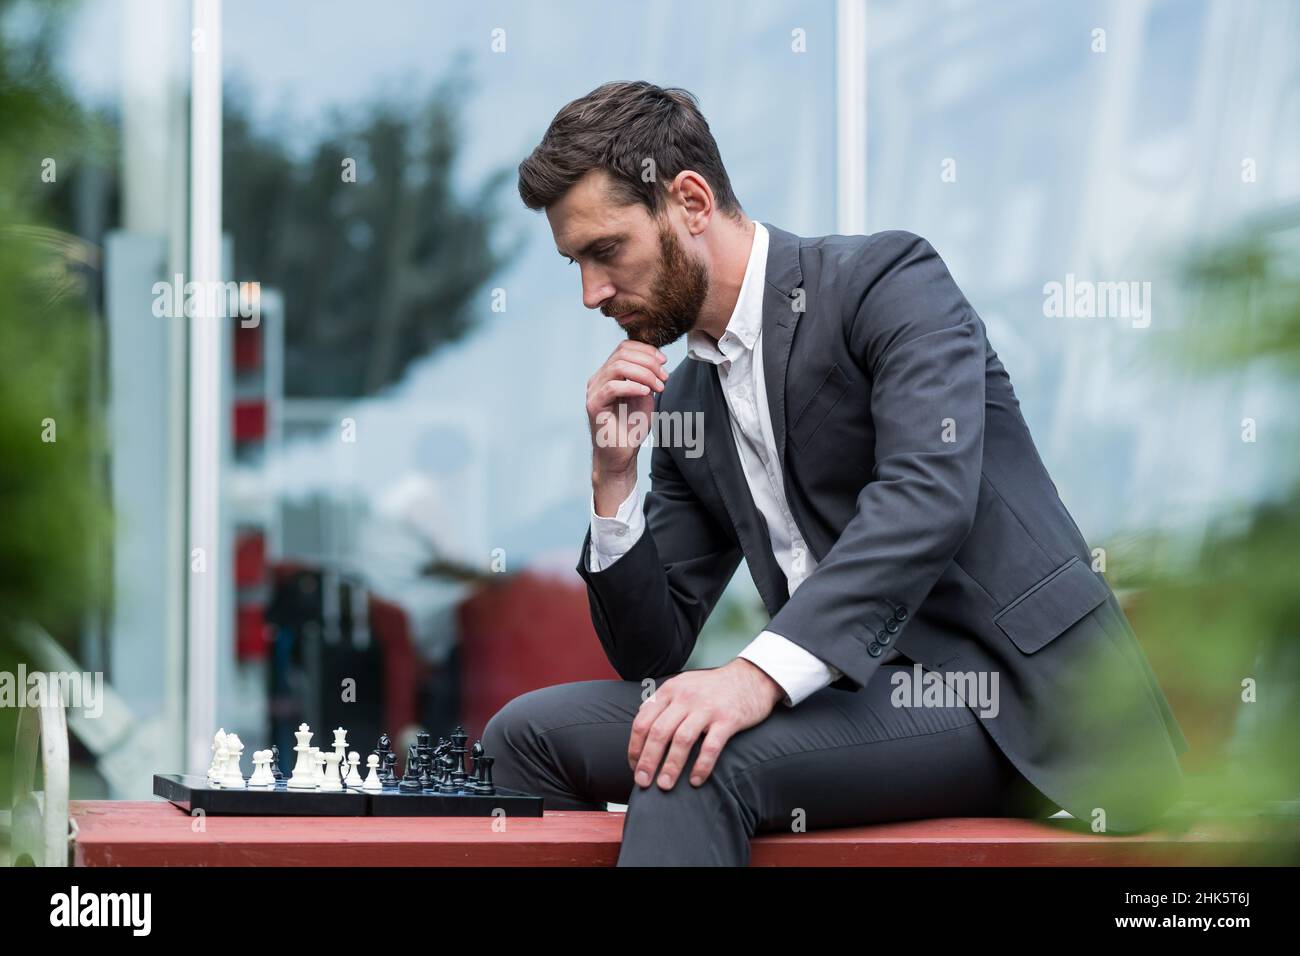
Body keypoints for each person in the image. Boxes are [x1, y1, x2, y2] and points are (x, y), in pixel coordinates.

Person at [483, 80, 1189, 866]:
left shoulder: (886, 281)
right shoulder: (686, 403)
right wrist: (614, 485)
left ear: (688, 200)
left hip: (1003, 699)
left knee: (694, 766)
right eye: (575, 262)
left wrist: (751, 679)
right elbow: (651, 652)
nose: (590, 293)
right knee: (526, 735)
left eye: (605, 251)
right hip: (842, 709)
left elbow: (927, 498)